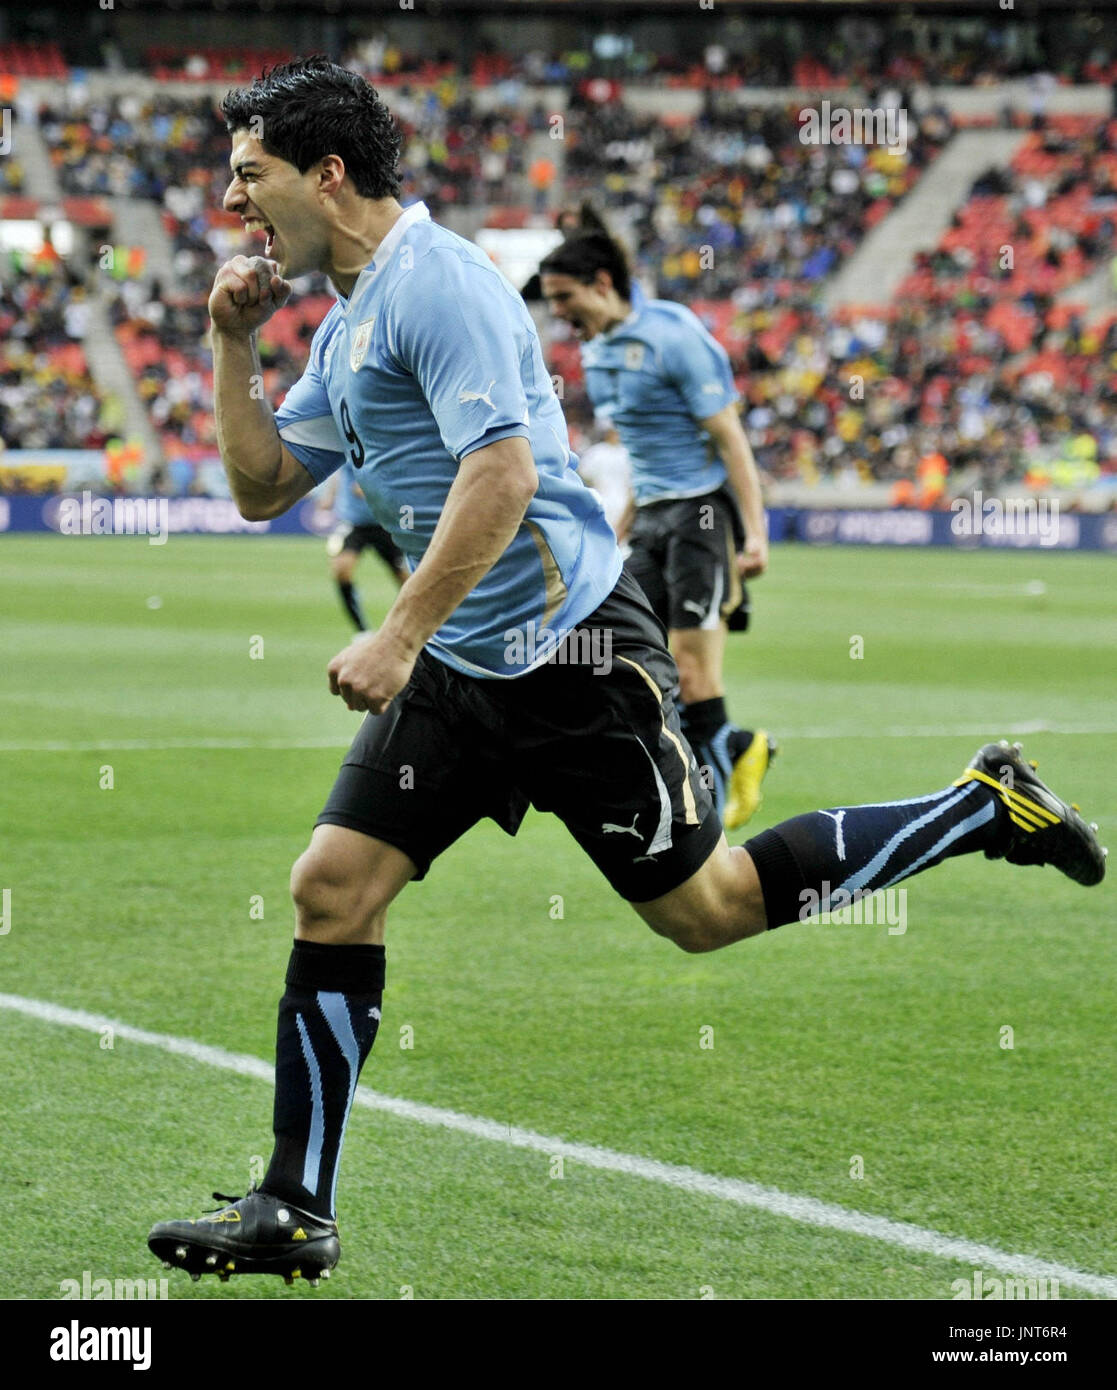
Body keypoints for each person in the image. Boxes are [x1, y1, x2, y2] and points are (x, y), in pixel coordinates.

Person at [147, 58, 1106, 1288]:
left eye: (249, 174)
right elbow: (260, 486)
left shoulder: (438, 285)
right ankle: (294, 1206)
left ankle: (979, 806)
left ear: (325, 174)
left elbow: (500, 475)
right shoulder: (345, 324)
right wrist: (230, 342)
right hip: (462, 668)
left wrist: (396, 634)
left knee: (709, 911)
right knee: (331, 887)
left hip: (576, 658)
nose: (232, 201)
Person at [539, 230, 774, 828]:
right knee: (616, 645)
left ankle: (707, 814)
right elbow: (643, 457)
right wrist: (616, 533)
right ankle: (732, 747)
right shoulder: (598, 353)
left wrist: (755, 533)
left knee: (692, 670)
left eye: (564, 298)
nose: (558, 313)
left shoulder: (674, 335)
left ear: (602, 284)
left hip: (701, 517)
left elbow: (731, 440)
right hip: (649, 520)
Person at [316, 459, 408, 630]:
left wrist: (373, 488)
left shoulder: (388, 451)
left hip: (384, 523)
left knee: (407, 578)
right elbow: (340, 473)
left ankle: (410, 626)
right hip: (353, 522)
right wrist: (329, 496)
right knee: (341, 569)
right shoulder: (350, 447)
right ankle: (362, 630)